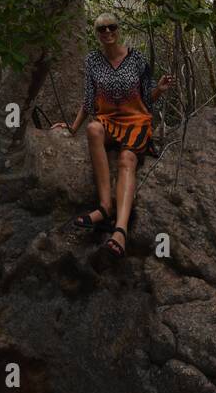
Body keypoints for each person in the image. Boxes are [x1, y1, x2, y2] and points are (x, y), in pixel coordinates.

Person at [52, 13, 173, 258]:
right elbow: (88, 100)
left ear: (118, 29)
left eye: (111, 27)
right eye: (101, 29)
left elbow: (147, 96)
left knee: (127, 159)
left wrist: (158, 89)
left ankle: (120, 230)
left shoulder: (136, 58)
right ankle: (105, 206)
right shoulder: (93, 61)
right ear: (96, 34)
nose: (107, 32)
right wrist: (72, 128)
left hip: (136, 121)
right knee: (93, 129)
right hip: (109, 121)